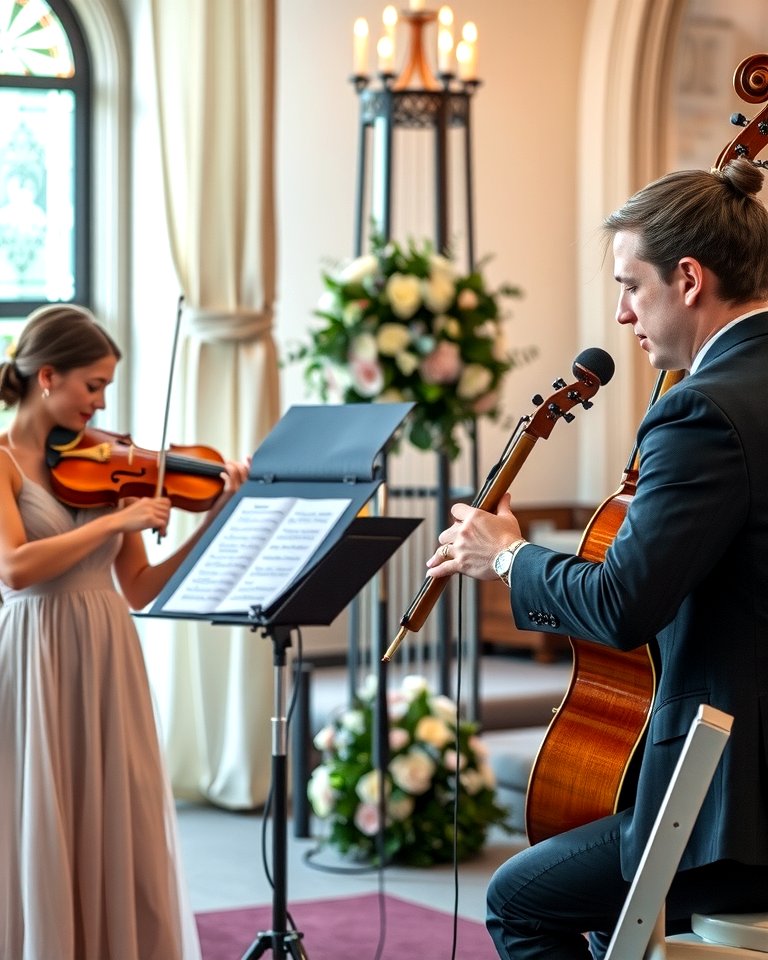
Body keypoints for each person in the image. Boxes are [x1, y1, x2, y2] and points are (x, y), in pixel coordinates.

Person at [426, 156, 768, 958]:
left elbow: (623, 607)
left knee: (519, 900)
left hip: (740, 819)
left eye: (631, 285)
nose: (621, 314)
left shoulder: (701, 410)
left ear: (688, 278)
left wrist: (508, 557)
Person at [0, 304, 249, 960]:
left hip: (108, 644)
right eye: (93, 384)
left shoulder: (106, 463)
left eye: (107, 386)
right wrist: (116, 522)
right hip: (36, 650)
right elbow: (15, 568)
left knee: (116, 814)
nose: (101, 402)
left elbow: (139, 586)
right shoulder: (2, 460)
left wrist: (216, 518)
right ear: (46, 376)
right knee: (41, 813)